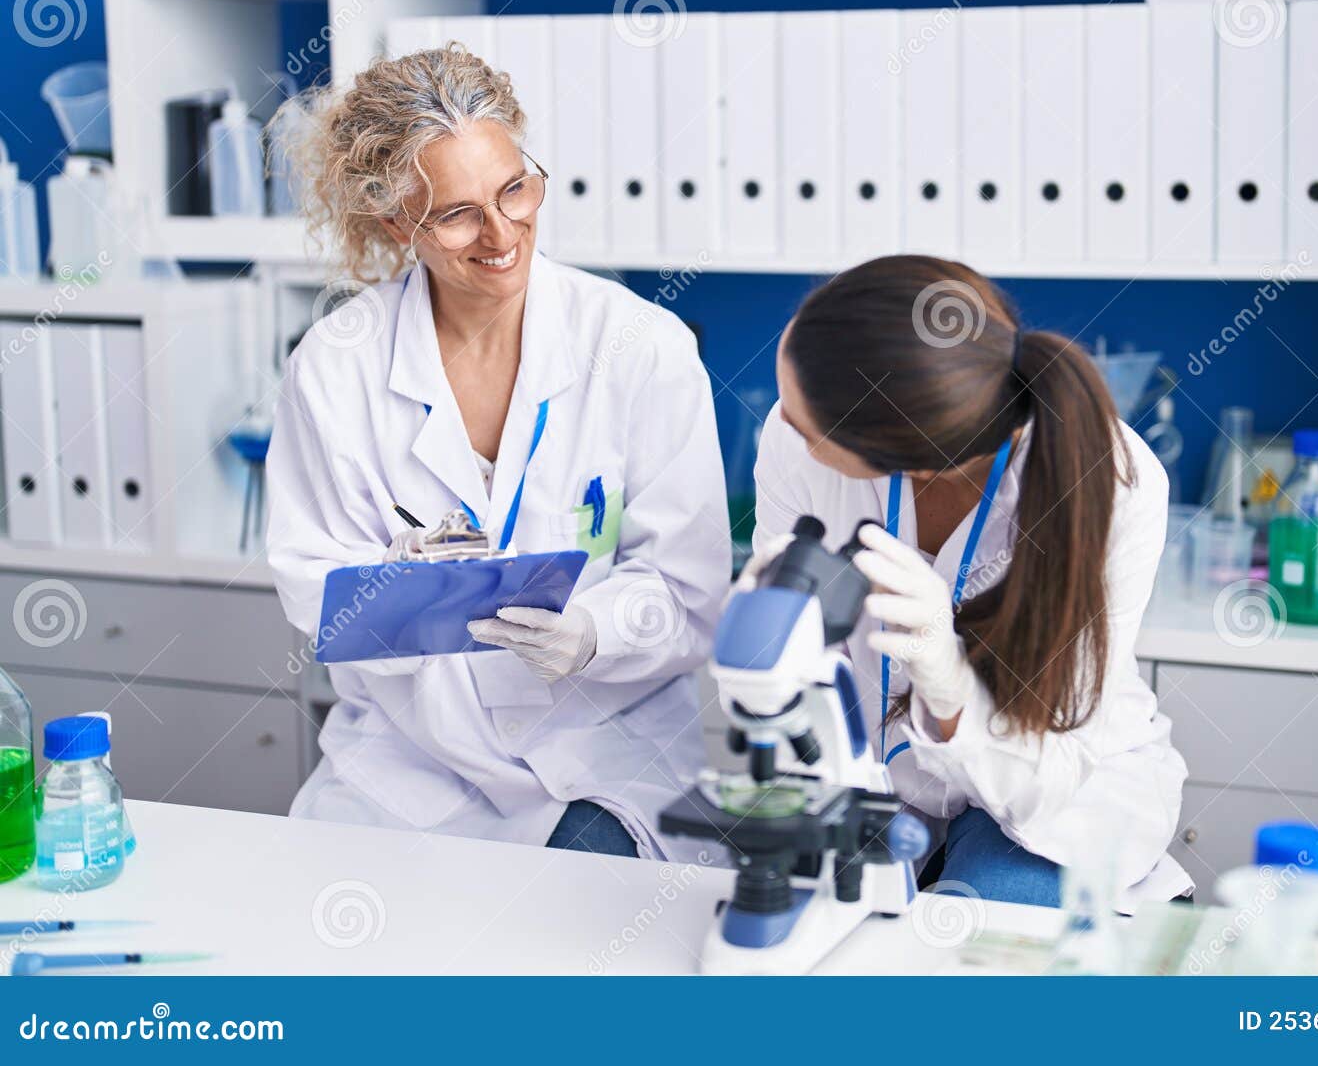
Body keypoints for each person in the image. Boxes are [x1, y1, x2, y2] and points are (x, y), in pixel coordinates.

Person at [265, 44, 729, 859]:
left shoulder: (639, 346)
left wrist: (594, 629)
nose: (502, 231)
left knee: (569, 937)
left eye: (515, 189)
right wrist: (398, 591)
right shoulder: (336, 365)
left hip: (602, 751)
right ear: (395, 222)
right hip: (407, 761)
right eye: (456, 213)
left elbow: (690, 592)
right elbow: (313, 585)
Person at [749, 255, 1191, 909]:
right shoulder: (796, 436)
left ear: (911, 466)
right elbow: (789, 660)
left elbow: (1059, 769)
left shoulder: (1117, 482)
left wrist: (950, 689)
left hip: (1054, 790)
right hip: (876, 778)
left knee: (978, 930)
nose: (782, 425)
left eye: (805, 427)